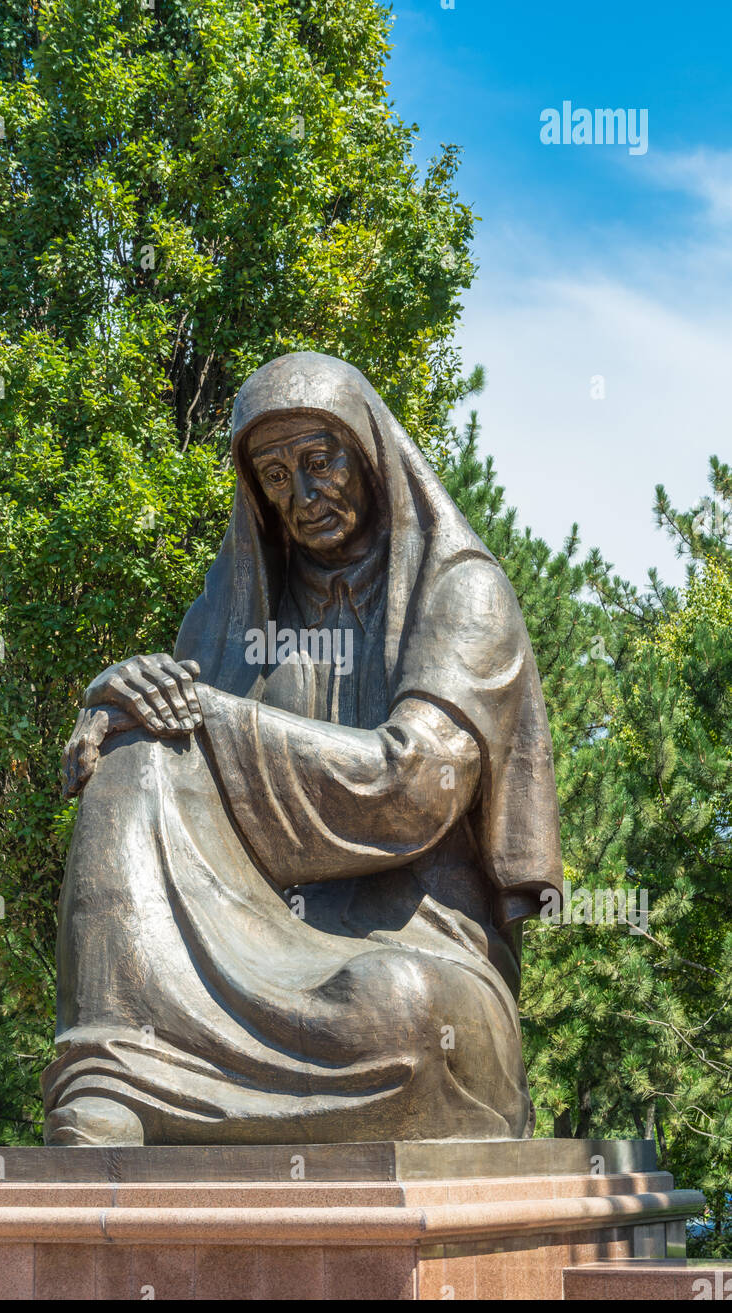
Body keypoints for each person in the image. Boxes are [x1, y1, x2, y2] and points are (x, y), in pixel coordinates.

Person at [42, 351, 562, 1146]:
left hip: (419, 952)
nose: (303, 496)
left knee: (396, 1005)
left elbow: (411, 788)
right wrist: (116, 698)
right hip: (246, 939)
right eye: (276, 477)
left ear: (372, 457)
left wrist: (213, 718)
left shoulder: (461, 593)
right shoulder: (228, 617)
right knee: (139, 745)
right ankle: (113, 1074)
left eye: (321, 463)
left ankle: (175, 1090)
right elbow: (185, 762)